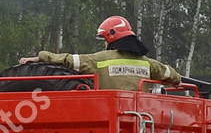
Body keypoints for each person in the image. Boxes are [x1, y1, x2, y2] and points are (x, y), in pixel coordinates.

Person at [19, 16, 181, 91]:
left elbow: (67, 60)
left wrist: (39, 57)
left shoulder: (100, 60)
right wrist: (176, 80)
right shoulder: (147, 63)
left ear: (110, 37)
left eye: (104, 38)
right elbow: (173, 76)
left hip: (108, 113)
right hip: (142, 120)